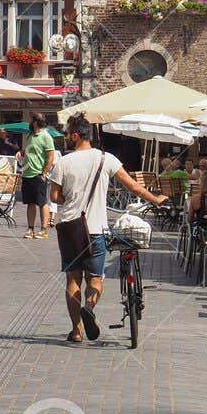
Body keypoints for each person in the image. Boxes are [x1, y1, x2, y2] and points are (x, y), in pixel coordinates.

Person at [51, 115, 167, 344]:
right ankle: (90, 306)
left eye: (66, 133)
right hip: (95, 229)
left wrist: (73, 198)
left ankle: (76, 331)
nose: (65, 137)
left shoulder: (63, 162)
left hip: (70, 228)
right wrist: (155, 199)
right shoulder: (107, 159)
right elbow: (132, 186)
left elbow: (54, 196)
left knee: (73, 278)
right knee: (95, 279)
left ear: (76, 136)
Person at [20, 116, 56, 239]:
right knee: (30, 203)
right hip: (27, 173)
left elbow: (51, 156)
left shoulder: (46, 136)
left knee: (42, 202)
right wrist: (22, 152)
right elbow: (30, 150)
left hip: (38, 174)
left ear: (35, 122)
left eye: (31, 121)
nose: (29, 123)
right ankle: (30, 229)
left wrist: (44, 173)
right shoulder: (30, 135)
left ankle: (43, 230)